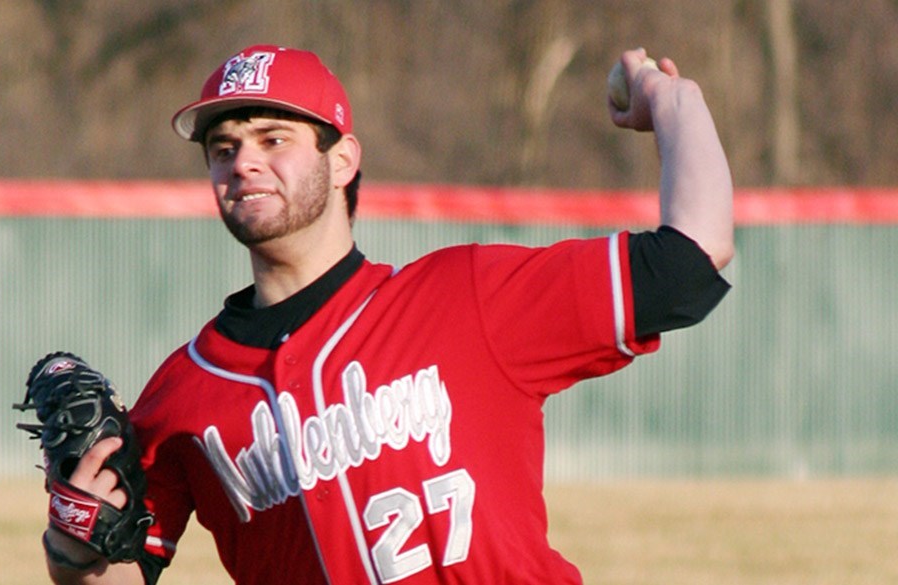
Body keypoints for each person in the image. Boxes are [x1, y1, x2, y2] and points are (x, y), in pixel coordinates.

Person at [38, 43, 733, 584]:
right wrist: (71, 549)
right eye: (224, 149)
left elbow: (693, 258)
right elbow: (121, 570)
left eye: (273, 138)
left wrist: (676, 106)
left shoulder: (468, 296)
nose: (243, 162)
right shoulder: (184, 391)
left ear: (342, 161)